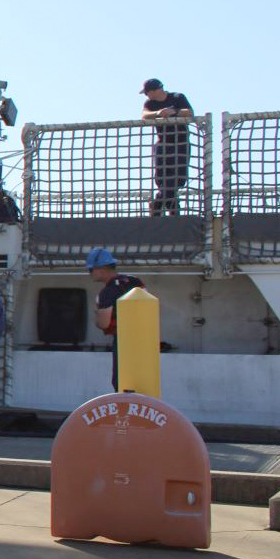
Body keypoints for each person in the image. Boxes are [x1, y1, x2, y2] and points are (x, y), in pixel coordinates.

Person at [87, 247, 145, 390]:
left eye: (90, 270)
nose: (90, 274)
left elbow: (104, 323)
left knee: (122, 383)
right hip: (146, 340)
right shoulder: (134, 281)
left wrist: (97, 317)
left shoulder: (107, 292)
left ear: (101, 269)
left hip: (124, 342)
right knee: (143, 384)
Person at [140, 78, 194, 216]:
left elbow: (189, 112)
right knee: (163, 181)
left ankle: (157, 205)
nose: (146, 96)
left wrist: (173, 112)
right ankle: (172, 213)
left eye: (147, 93)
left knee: (177, 180)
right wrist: (159, 113)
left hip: (181, 144)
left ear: (154, 91)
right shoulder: (150, 103)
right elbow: (144, 115)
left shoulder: (177, 97)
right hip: (163, 144)